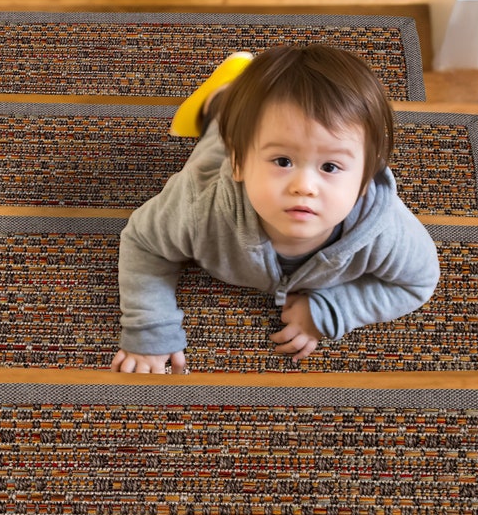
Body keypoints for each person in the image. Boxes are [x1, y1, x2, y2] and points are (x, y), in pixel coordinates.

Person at [110, 44, 440, 373]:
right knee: (223, 118)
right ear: (238, 164)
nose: (304, 186)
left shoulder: (384, 231)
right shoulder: (199, 206)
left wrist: (334, 309)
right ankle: (224, 90)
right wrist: (149, 327)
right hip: (220, 148)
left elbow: (419, 282)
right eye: (283, 161)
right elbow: (143, 241)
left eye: (330, 167)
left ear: (366, 179)